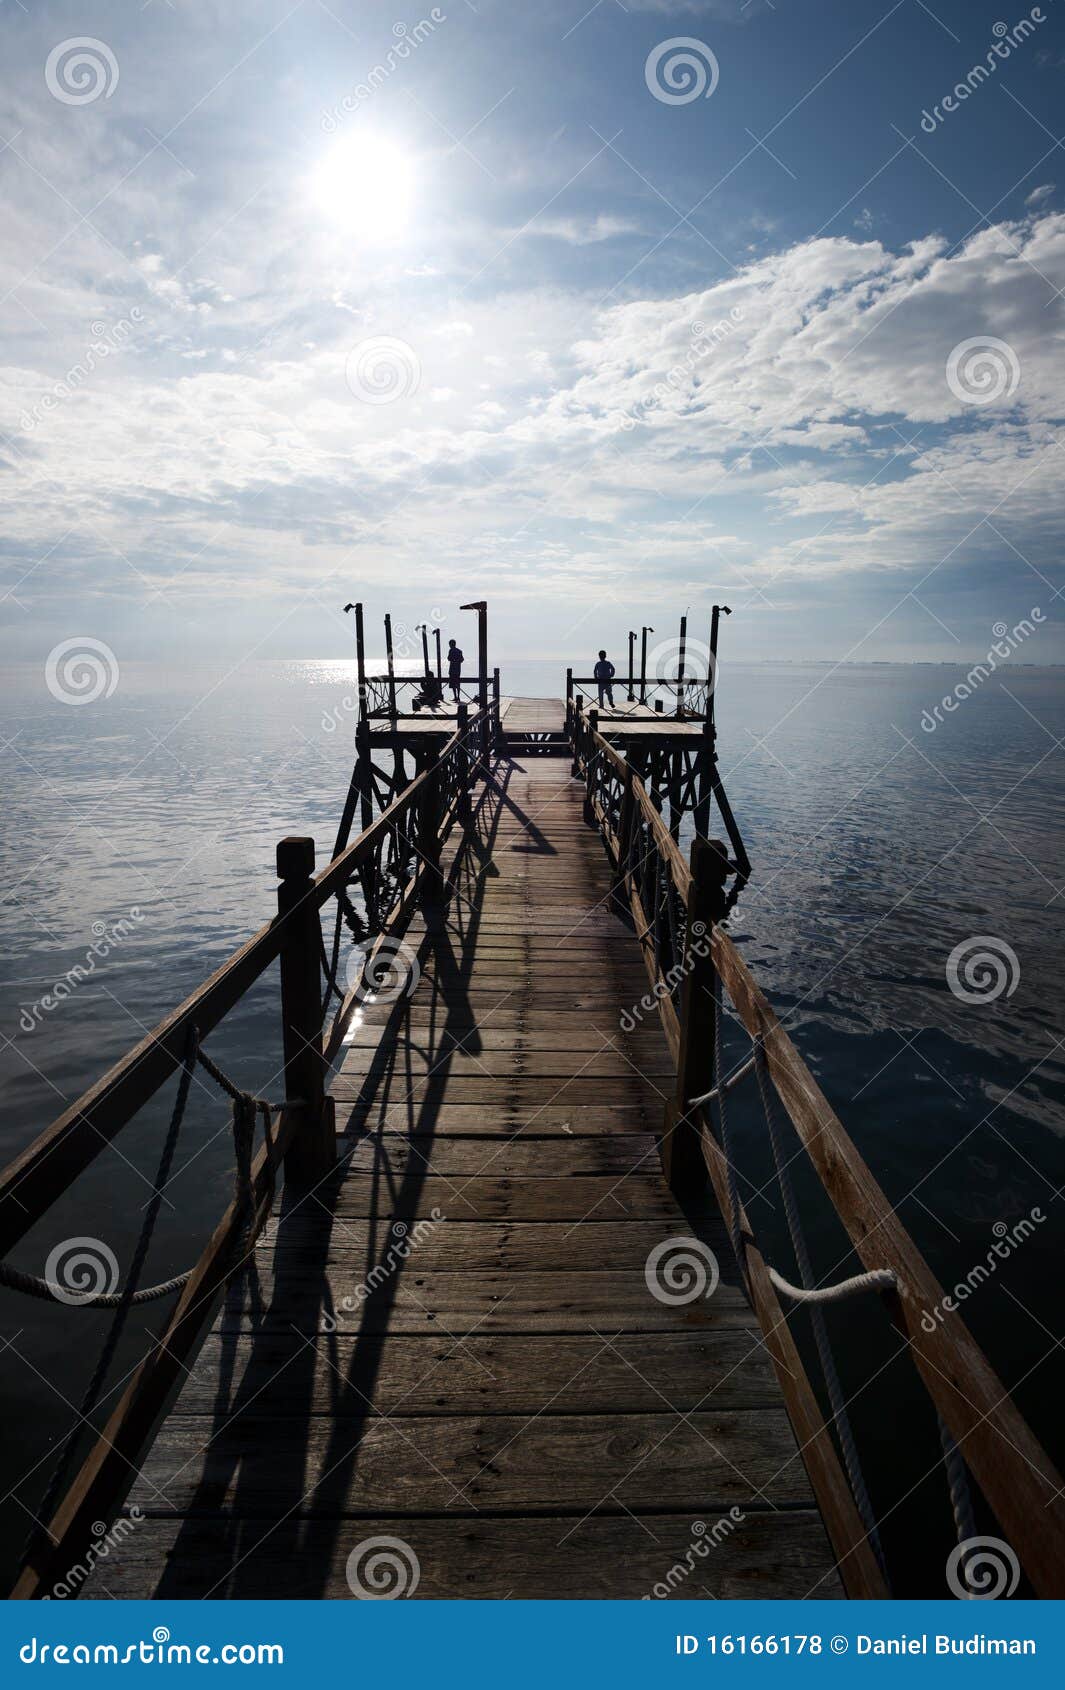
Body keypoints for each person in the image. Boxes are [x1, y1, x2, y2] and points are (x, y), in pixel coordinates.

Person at [447, 638, 464, 703]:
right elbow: (462, 659)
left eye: (449, 644)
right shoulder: (459, 651)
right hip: (458, 670)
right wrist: (457, 661)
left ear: (451, 644)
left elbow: (449, 658)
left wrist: (454, 660)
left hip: (452, 669)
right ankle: (458, 696)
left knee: (453, 684)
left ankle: (455, 697)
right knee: (457, 683)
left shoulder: (451, 650)